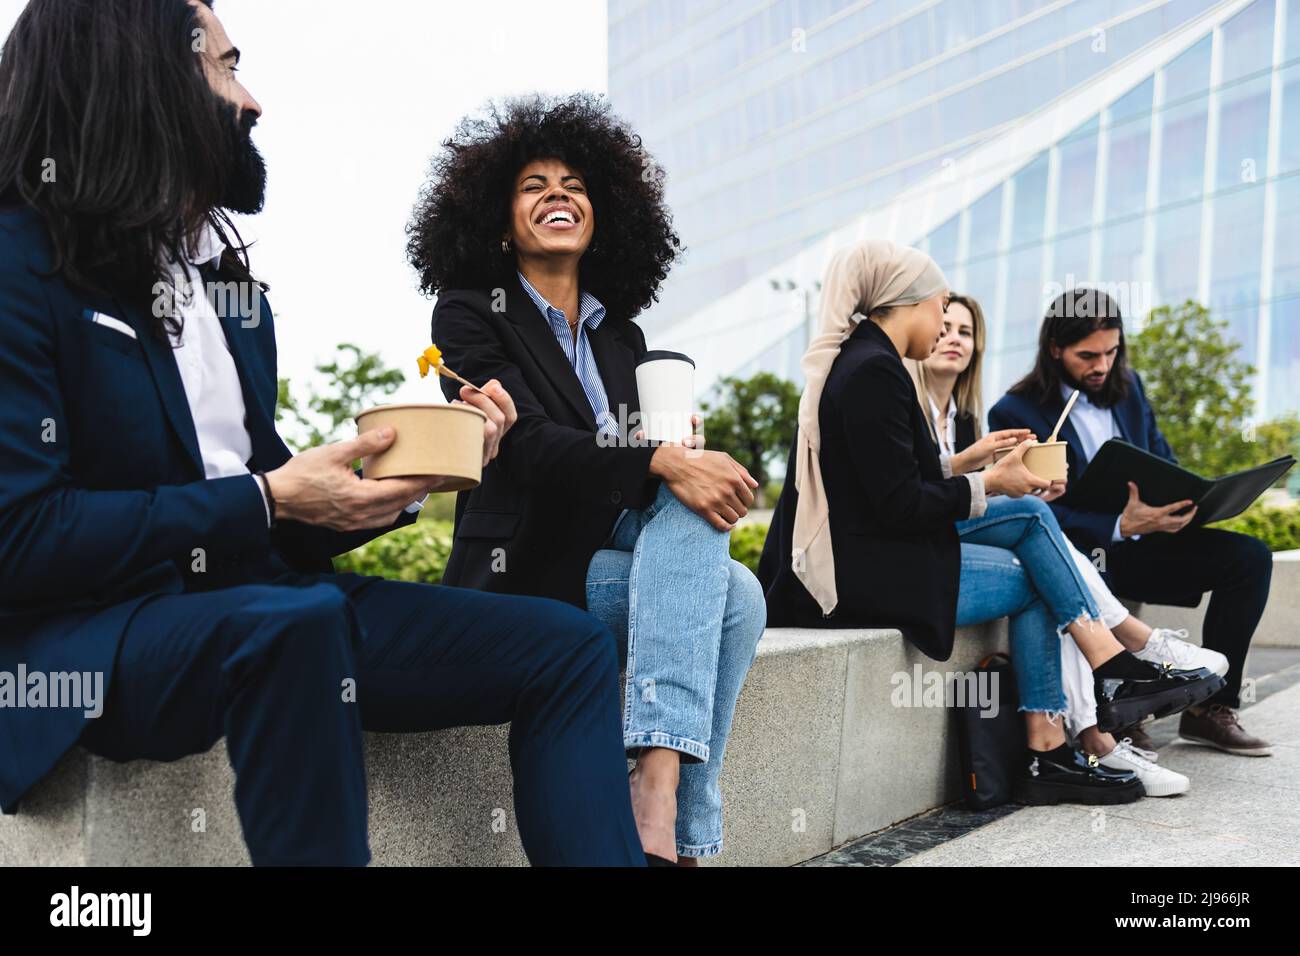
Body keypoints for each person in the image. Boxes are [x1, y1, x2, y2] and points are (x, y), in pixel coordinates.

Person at [0, 0, 649, 866]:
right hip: (95, 638)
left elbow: (281, 511)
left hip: (274, 607)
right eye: (226, 67)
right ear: (138, 75)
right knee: (293, 625)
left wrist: (395, 488)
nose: (252, 101)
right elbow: (20, 538)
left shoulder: (231, 293)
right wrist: (266, 499)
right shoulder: (17, 265)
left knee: (565, 644)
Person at [409, 94, 767, 864]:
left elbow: (629, 468)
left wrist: (671, 450)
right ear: (500, 223)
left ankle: (659, 792)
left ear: (604, 215)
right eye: (533, 185)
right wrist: (658, 461)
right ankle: (679, 816)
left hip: (613, 560)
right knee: (733, 590)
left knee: (740, 587)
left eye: (574, 183)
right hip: (527, 576)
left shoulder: (623, 337)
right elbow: (531, 446)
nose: (558, 194)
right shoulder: (469, 315)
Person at [758, 240, 1223, 806]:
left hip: (875, 558)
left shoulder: (864, 361)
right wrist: (990, 483)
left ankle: (1098, 685)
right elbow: (899, 504)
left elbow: (889, 481)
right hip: (867, 578)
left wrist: (979, 470)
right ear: (907, 302)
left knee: (1029, 517)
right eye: (940, 304)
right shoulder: (874, 370)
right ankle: (1066, 725)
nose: (946, 320)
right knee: (1032, 563)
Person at [913, 293, 1230, 795]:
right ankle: (1122, 678)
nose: (953, 337)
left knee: (1044, 553)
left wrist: (1017, 482)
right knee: (1040, 534)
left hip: (990, 537)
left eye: (966, 331)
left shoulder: (967, 417)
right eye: (944, 326)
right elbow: (910, 493)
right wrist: (994, 479)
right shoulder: (920, 404)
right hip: (918, 550)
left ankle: (1056, 747)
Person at [989, 289, 1274, 757]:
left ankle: (1209, 711)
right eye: (1088, 356)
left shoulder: (1130, 388)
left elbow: (1162, 459)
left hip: (1148, 545)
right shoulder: (1014, 412)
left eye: (1112, 351)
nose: (1102, 365)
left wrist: (1184, 503)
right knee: (1084, 568)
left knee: (1250, 558)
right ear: (1055, 348)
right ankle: (1122, 713)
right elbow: (1029, 513)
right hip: (1080, 556)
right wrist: (1118, 523)